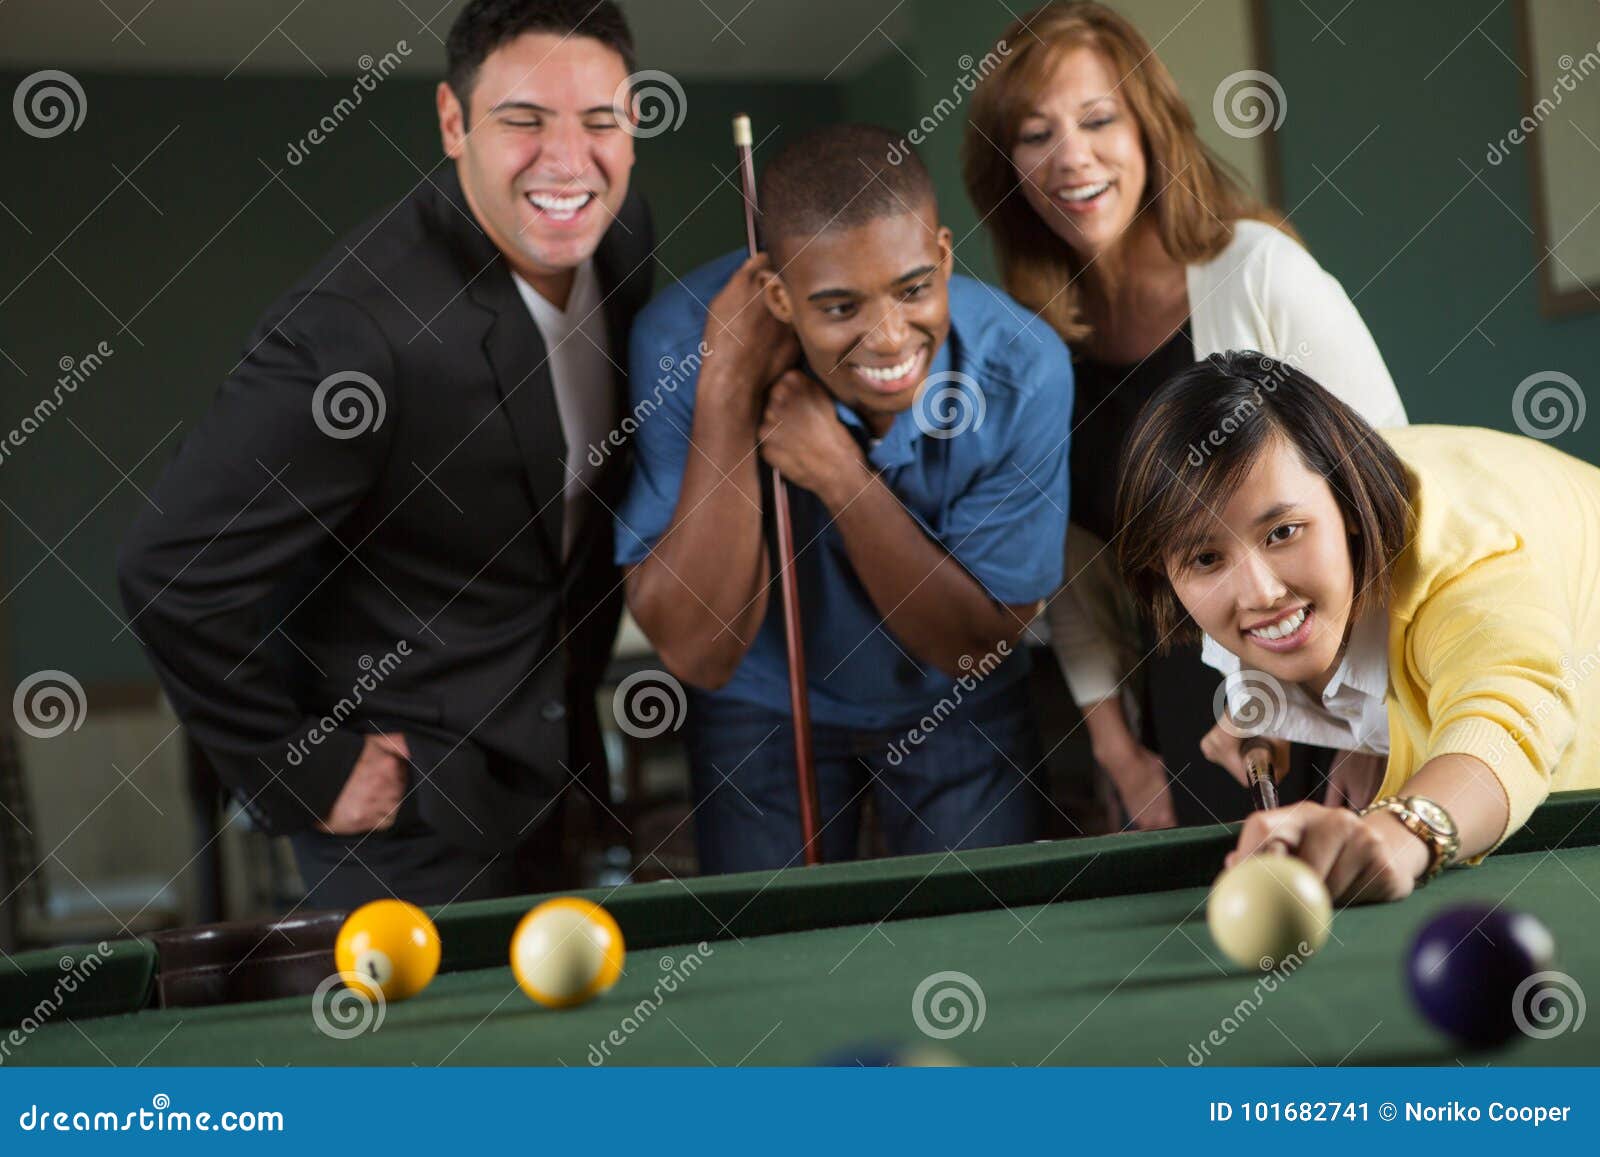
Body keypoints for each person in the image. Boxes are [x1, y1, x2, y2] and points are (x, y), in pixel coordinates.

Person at [116, 0, 655, 909]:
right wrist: (308, 769)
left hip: (557, 774)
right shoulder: (355, 332)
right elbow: (168, 571)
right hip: (407, 816)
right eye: (523, 120)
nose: (568, 161)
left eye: (600, 121)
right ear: (454, 121)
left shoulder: (622, 236)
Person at [962, 1, 1407, 831]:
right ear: (1007, 167)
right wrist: (1119, 753)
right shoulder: (1030, 344)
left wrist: (1375, 719)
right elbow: (1072, 574)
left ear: (1151, 131)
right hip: (1196, 705)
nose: (1072, 157)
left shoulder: (1261, 271)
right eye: (1034, 134)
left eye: (1099, 118)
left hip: (1341, 658)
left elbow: (1394, 491)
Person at [618, 125, 1072, 873]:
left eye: (915, 288)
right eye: (839, 308)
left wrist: (837, 472)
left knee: (981, 942)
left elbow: (977, 645)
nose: (890, 337)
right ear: (777, 295)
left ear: (946, 257)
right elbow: (698, 649)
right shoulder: (678, 345)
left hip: (957, 701)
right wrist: (729, 387)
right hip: (763, 702)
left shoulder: (1024, 365)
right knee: (772, 959)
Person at [1114, 350, 1600, 902]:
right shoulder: (1290, 519)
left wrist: (1397, 834)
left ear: (1346, 499)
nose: (1260, 593)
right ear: (1163, 570)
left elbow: (1508, 723)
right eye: (1205, 559)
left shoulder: (1469, 570)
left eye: (1282, 533)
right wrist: (1328, 715)